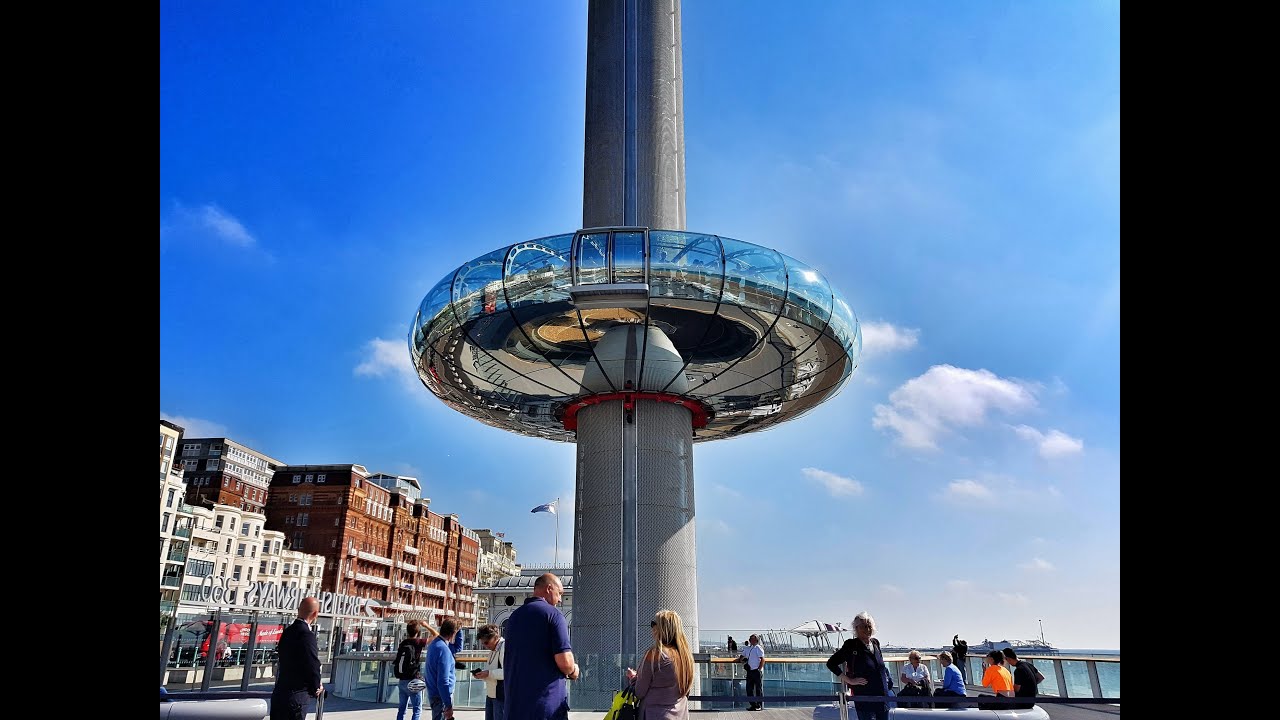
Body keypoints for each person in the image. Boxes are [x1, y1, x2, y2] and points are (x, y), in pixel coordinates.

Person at [502, 572, 578, 720]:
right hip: (545, 706)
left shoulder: (514, 617)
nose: (560, 599)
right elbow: (566, 663)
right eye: (560, 593)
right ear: (549, 588)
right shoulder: (553, 615)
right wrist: (574, 669)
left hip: (515, 707)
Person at [624, 610, 695, 719]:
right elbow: (686, 690)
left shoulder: (655, 654)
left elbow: (639, 692)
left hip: (654, 714)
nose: (652, 627)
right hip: (681, 714)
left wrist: (633, 677)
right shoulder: (686, 657)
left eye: (654, 623)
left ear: (661, 629)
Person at [825, 612, 891, 720]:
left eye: (869, 626)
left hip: (882, 697)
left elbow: (881, 666)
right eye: (863, 626)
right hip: (864, 697)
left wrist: (888, 683)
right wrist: (849, 680)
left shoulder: (875, 643)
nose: (867, 629)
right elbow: (831, 663)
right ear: (856, 628)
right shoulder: (851, 645)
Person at [270, 596, 324, 720]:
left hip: (280, 693)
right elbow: (312, 663)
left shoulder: (288, 632)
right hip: (296, 696)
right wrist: (316, 686)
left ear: (298, 610)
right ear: (315, 614)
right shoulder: (306, 635)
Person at [425, 617, 459, 720]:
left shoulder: (433, 645)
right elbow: (443, 680)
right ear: (453, 633)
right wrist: (448, 704)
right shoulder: (443, 650)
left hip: (433, 693)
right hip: (441, 696)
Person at [395, 620, 429, 720]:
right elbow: (438, 636)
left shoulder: (403, 643)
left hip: (402, 680)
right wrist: (427, 626)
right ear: (418, 632)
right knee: (417, 710)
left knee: (401, 709)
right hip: (414, 681)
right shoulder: (418, 642)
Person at [475, 623, 506, 720]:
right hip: (492, 694)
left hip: (500, 695)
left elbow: (508, 672)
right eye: (483, 643)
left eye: (486, 642)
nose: (485, 646)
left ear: (495, 637)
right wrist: (484, 674)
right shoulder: (495, 649)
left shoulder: (504, 647)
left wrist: (488, 673)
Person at [741, 634, 765, 710]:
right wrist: (742, 660)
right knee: (749, 689)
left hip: (756, 671)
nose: (751, 640)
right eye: (750, 639)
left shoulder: (758, 648)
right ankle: (753, 705)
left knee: (758, 689)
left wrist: (759, 669)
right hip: (750, 671)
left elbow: (762, 659)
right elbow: (741, 656)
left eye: (753, 639)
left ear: (756, 640)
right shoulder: (748, 648)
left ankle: (759, 705)